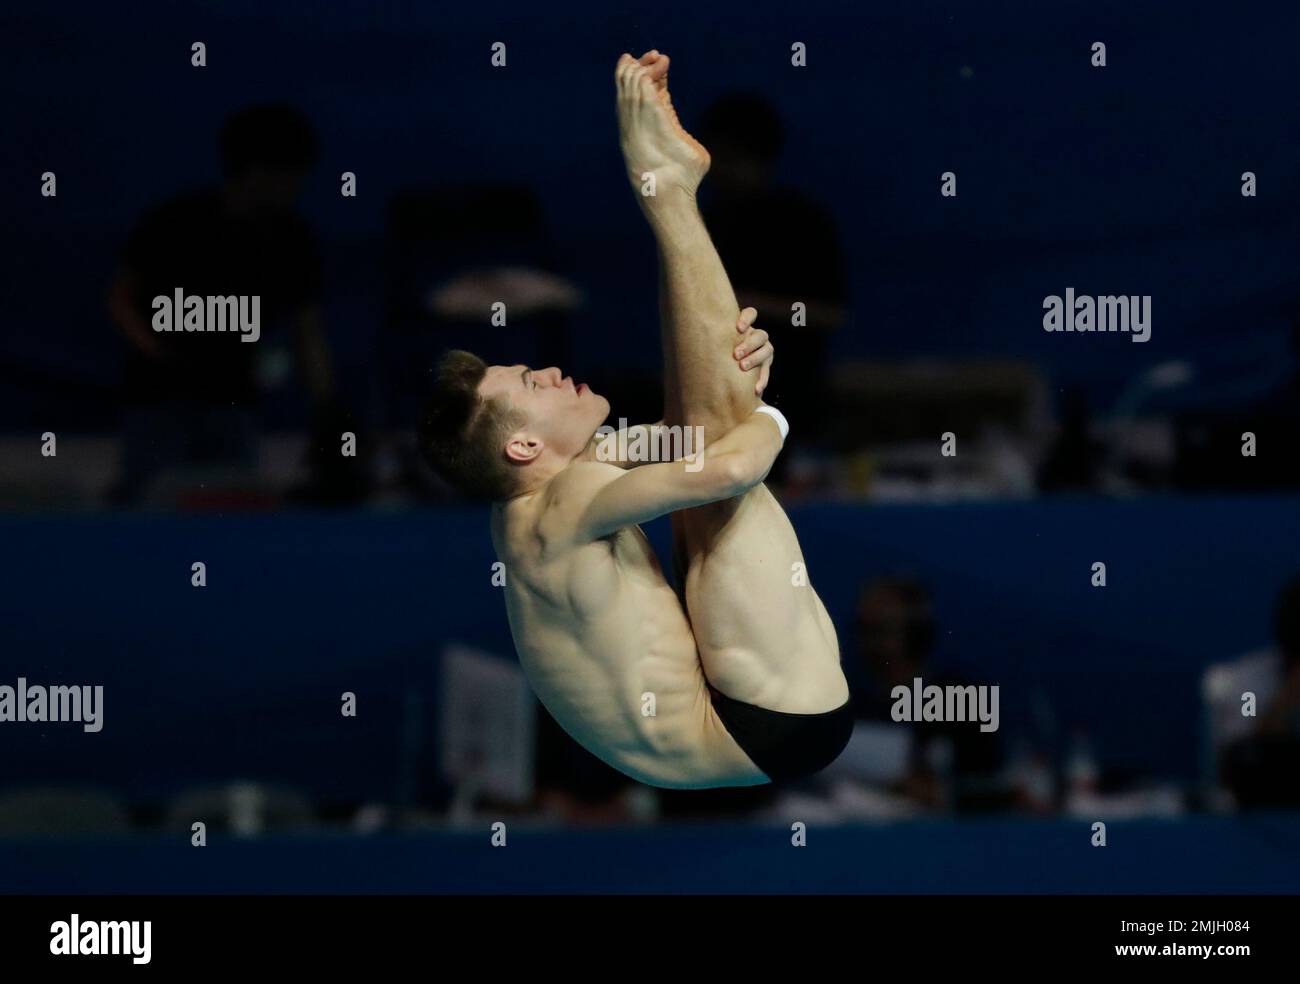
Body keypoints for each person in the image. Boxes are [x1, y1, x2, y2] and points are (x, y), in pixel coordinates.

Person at [418, 51, 852, 788]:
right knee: (720, 462)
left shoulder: (535, 495)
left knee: (702, 419)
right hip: (762, 725)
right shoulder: (559, 506)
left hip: (746, 715)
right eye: (532, 381)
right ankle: (668, 194)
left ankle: (666, 194)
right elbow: (731, 462)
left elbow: (679, 432)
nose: (551, 371)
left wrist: (745, 368)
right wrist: (771, 411)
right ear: (524, 444)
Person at [107, 103, 342, 504]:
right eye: (292, 174)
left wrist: (328, 410)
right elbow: (121, 299)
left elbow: (308, 332)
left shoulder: (293, 240)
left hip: (234, 405)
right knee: (150, 513)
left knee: (231, 513)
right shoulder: (174, 224)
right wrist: (157, 353)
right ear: (256, 172)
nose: (299, 186)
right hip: (159, 404)